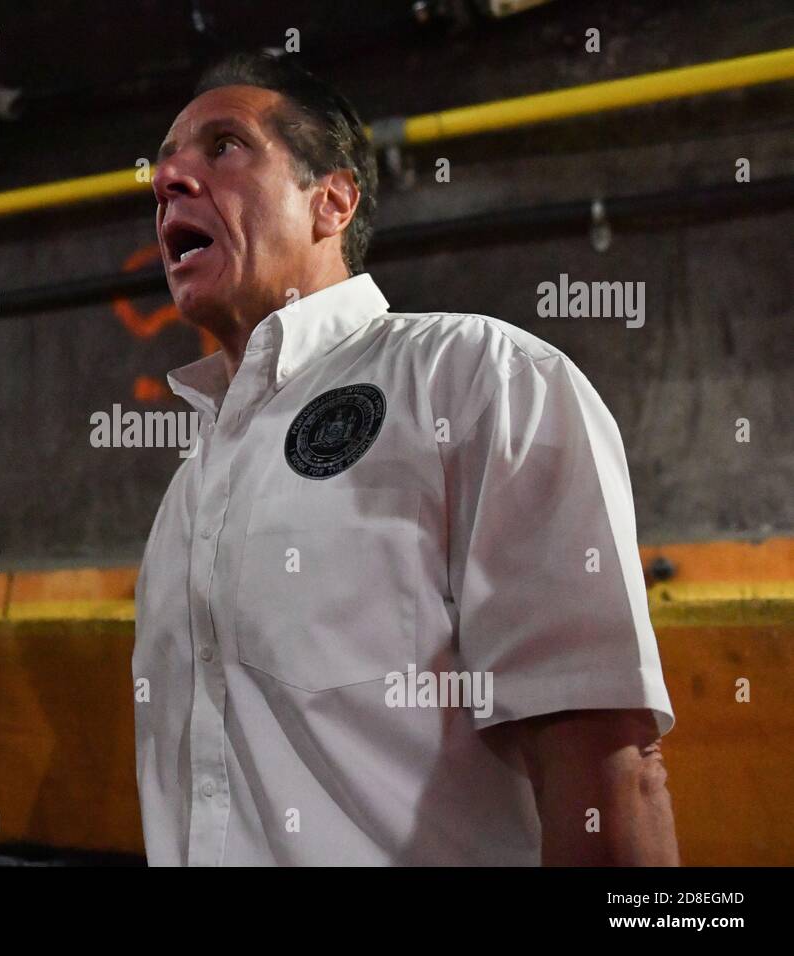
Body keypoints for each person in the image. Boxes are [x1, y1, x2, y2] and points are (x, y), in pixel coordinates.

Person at [132, 51, 678, 866]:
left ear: (333, 200)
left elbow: (607, 766)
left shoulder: (478, 378)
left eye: (222, 147)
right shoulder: (188, 491)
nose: (169, 176)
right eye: (165, 163)